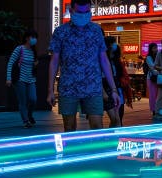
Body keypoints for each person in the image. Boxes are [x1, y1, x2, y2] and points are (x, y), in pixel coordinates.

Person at [47, 0, 119, 132]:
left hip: (93, 87)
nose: (84, 15)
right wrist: (50, 90)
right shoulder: (60, 32)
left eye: (87, 12)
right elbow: (54, 61)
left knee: (97, 126)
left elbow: (104, 60)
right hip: (68, 87)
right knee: (69, 128)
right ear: (71, 11)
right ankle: (71, 152)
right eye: (80, 12)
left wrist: (113, 89)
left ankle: (96, 152)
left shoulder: (96, 30)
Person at [6, 30, 38, 128]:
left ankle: (29, 115)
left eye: (35, 37)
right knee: (22, 101)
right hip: (20, 79)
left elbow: (34, 65)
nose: (34, 39)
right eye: (32, 37)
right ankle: (25, 121)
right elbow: (10, 63)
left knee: (33, 99)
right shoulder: (19, 49)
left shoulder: (33, 51)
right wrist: (8, 78)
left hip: (31, 79)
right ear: (26, 38)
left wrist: (36, 64)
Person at [102, 37, 122, 127]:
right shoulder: (103, 58)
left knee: (117, 119)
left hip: (114, 88)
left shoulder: (115, 59)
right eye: (113, 43)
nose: (115, 45)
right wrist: (103, 92)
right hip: (105, 88)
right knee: (114, 118)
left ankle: (113, 136)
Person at [144, 42, 159, 116]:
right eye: (154, 48)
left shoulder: (158, 56)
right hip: (151, 78)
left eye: (156, 47)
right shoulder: (148, 57)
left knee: (158, 94)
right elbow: (152, 67)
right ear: (150, 49)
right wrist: (161, 70)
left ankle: (159, 108)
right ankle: (153, 110)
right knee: (153, 94)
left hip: (159, 78)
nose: (156, 49)